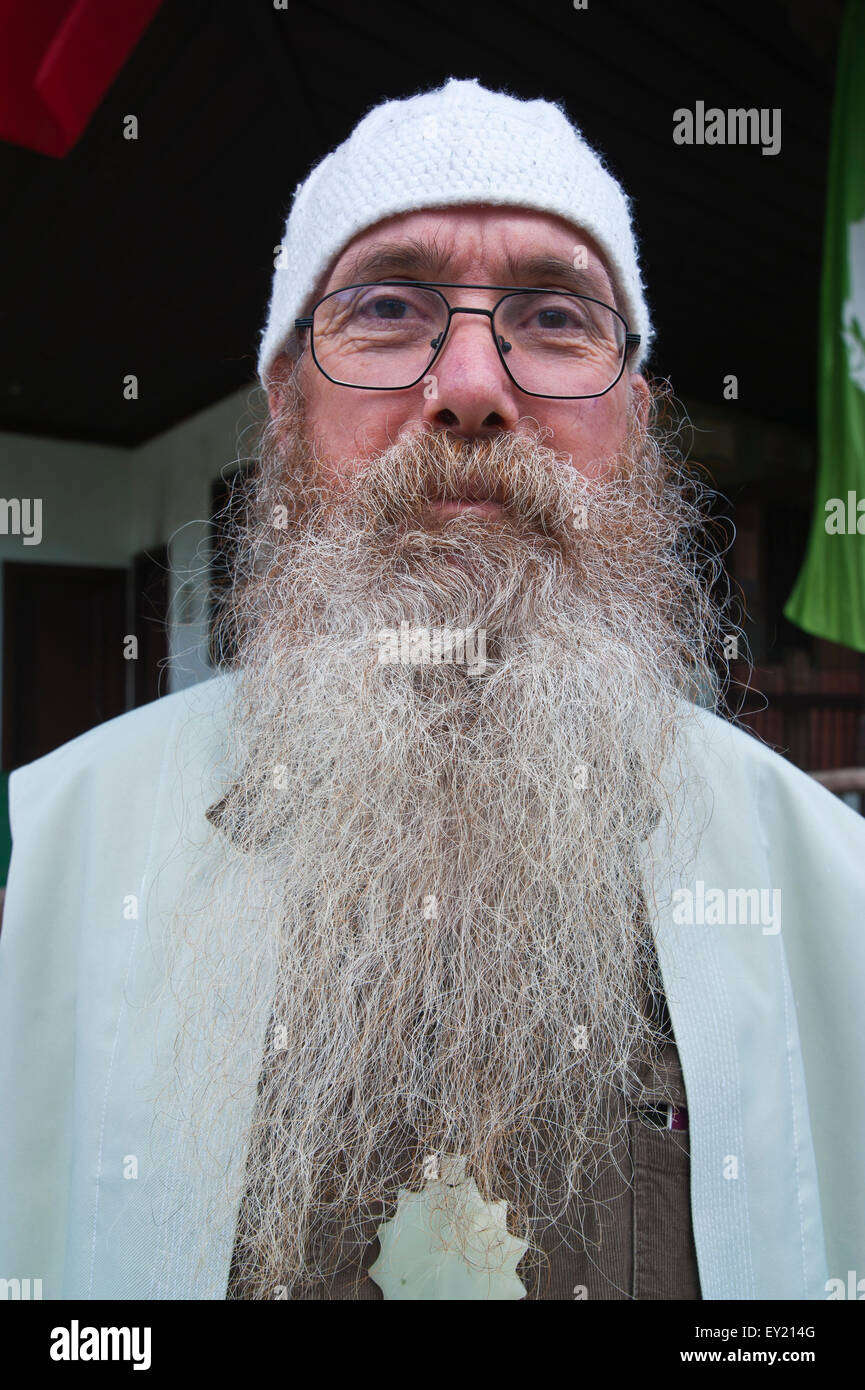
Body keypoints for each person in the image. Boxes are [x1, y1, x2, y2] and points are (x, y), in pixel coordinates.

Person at [1, 77, 863, 1302]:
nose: (469, 384)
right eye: (389, 309)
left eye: (555, 317)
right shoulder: (44, 857)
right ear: (287, 411)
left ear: (633, 417)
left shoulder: (833, 891)